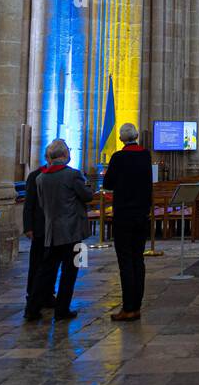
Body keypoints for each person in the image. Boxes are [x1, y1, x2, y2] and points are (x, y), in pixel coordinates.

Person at [23, 139, 91, 322]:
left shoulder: (40, 178)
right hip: (71, 232)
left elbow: (41, 204)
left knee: (45, 271)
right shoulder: (72, 175)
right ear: (65, 155)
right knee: (70, 272)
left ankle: (32, 308)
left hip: (51, 231)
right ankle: (62, 309)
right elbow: (87, 196)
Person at [101, 122, 153, 321]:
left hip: (124, 215)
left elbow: (108, 184)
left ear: (122, 138)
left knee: (125, 261)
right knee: (138, 259)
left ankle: (129, 307)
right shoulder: (145, 156)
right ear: (137, 136)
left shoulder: (118, 157)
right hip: (141, 215)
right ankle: (136, 305)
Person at [22, 164, 57, 310]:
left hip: (54, 228)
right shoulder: (35, 176)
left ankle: (48, 294)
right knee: (37, 263)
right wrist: (28, 226)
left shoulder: (58, 175)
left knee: (52, 264)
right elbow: (29, 203)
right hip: (39, 227)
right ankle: (32, 297)